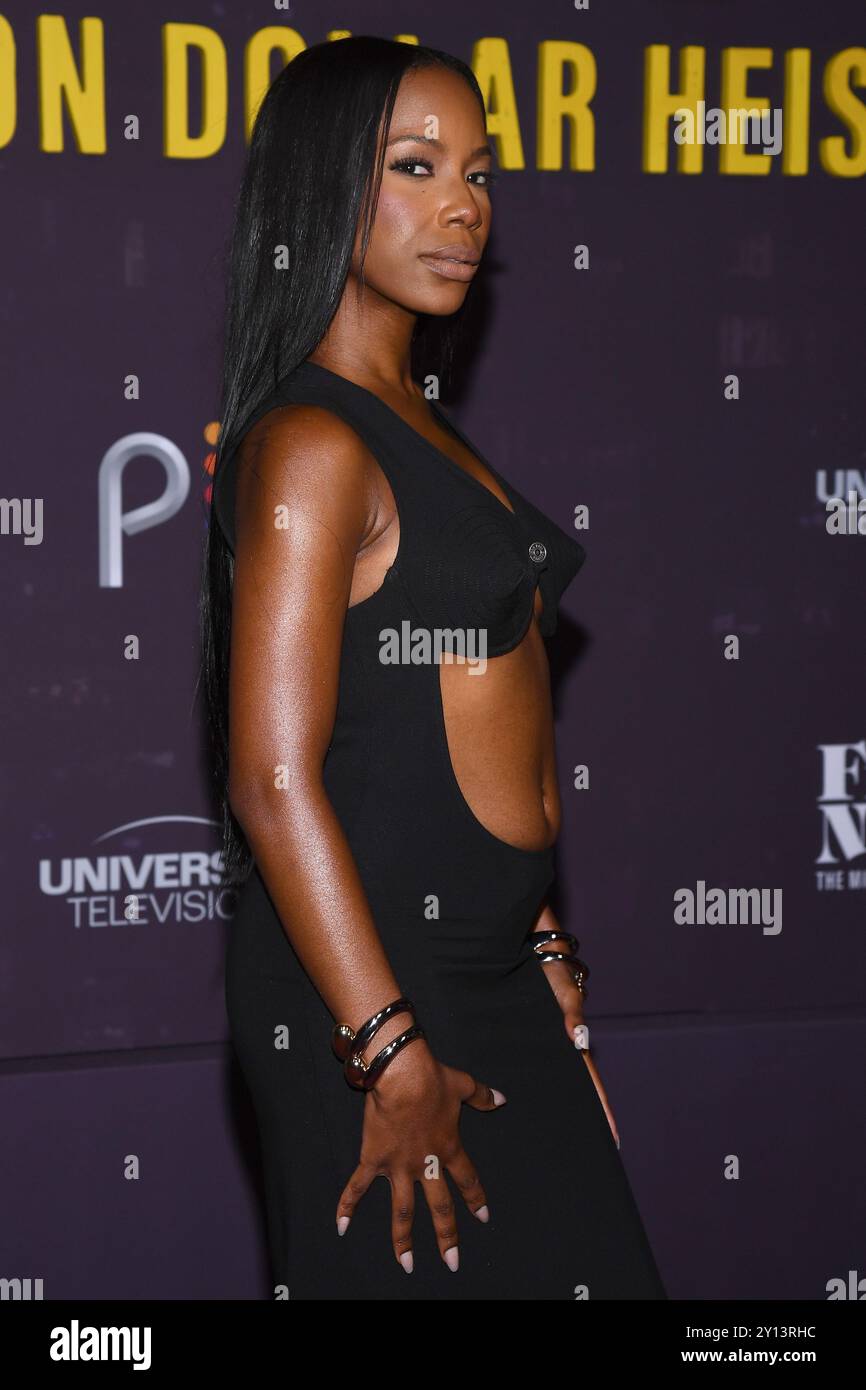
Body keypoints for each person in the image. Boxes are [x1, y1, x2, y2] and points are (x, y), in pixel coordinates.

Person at [201, 34, 666, 1300]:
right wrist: (389, 1048)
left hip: (489, 968)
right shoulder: (308, 440)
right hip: (372, 995)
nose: (465, 203)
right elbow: (272, 776)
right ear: (321, 191)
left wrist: (547, 944)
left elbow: (470, 706)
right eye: (416, 167)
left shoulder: (419, 420)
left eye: (478, 171)